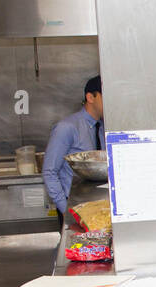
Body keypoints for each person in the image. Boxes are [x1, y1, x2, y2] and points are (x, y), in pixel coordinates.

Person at [43, 75, 104, 217]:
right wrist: (66, 210)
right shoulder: (67, 127)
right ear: (90, 97)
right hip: (73, 206)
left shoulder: (101, 127)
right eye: (105, 96)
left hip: (95, 205)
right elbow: (49, 172)